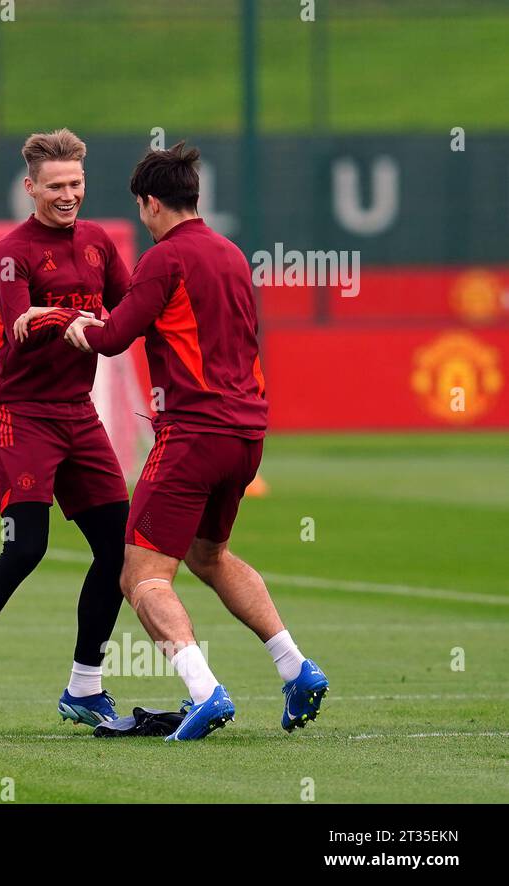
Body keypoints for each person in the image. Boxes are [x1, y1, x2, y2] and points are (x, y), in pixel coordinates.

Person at [25, 141, 329, 740]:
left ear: (149, 203)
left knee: (139, 574)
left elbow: (113, 337)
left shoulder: (166, 260)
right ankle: (296, 668)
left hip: (193, 434)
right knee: (207, 555)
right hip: (247, 435)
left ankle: (205, 691)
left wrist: (66, 323)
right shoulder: (233, 256)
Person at [0, 129, 133, 739]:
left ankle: (85, 686)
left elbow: (128, 310)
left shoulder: (98, 243)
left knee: (118, 551)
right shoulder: (10, 252)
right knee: (26, 549)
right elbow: (20, 323)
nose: (69, 196)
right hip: (21, 413)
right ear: (30, 187)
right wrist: (67, 319)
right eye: (57, 187)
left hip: (78, 413)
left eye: (77, 184)